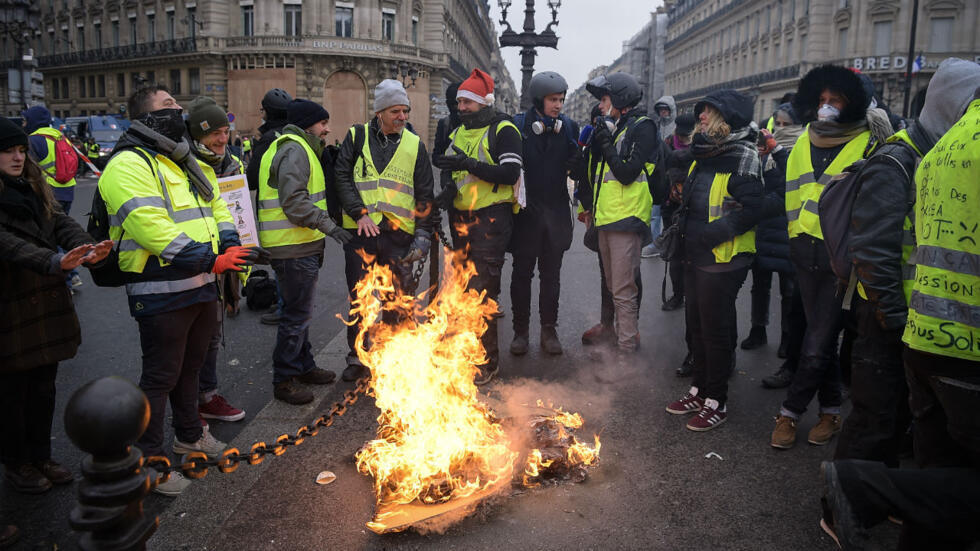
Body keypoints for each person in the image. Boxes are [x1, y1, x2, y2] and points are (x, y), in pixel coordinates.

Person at [100, 85, 253, 496]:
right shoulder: (127, 163)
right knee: (161, 376)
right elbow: (150, 226)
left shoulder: (180, 158)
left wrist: (229, 243)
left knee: (191, 368)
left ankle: (190, 436)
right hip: (161, 288)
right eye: (168, 105)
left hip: (201, 283)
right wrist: (210, 258)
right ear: (145, 118)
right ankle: (149, 462)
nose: (178, 109)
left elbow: (216, 204)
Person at [836, 59, 980, 469]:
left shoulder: (941, 153)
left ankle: (886, 495)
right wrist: (895, 319)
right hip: (884, 314)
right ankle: (845, 502)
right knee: (875, 415)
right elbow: (873, 249)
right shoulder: (898, 157)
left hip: (915, 315)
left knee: (900, 416)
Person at [771, 65, 893, 449]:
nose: (825, 108)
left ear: (850, 103)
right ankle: (830, 412)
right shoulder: (806, 137)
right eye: (821, 101)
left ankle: (789, 414)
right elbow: (792, 191)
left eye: (834, 101)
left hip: (840, 260)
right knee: (817, 336)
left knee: (818, 340)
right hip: (802, 252)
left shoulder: (871, 143)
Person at [0, 118, 111, 498]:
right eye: (7, 151)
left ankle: (41, 455)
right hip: (11, 304)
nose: (16, 158)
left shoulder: (32, 185)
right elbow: (8, 245)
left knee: (44, 388)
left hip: (44, 302)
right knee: (13, 393)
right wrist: (53, 262)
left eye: (19, 151)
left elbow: (60, 221)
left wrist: (87, 247)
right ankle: (16, 463)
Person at [664, 90, 763, 431]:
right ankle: (699, 389)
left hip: (724, 258)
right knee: (696, 327)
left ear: (727, 118)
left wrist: (710, 235)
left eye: (708, 112)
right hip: (695, 255)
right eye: (701, 111)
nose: (700, 117)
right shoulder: (702, 153)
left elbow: (753, 210)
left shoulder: (743, 155)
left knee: (716, 331)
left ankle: (716, 401)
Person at [334, 79, 436, 382]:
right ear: (379, 112)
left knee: (398, 300)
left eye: (405, 110)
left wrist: (423, 235)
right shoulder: (356, 136)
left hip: (398, 234)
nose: (402, 117)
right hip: (361, 233)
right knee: (359, 300)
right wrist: (358, 212)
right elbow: (342, 176)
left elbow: (425, 193)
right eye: (395, 111)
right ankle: (358, 357)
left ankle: (395, 355)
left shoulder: (414, 144)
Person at [433, 68, 523, 384]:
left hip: (490, 221)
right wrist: (446, 189)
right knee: (461, 291)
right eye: (459, 102)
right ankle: (467, 353)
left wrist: (467, 164)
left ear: (482, 102)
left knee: (482, 293)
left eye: (467, 102)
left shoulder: (504, 129)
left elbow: (509, 174)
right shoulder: (457, 131)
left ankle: (488, 361)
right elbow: (448, 168)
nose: (461, 107)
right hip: (460, 220)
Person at [257, 99, 348, 404]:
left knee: (301, 313)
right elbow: (294, 202)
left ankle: (304, 365)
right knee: (295, 316)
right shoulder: (295, 149)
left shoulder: (299, 147)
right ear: (309, 124)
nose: (327, 129)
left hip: (298, 244)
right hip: (291, 247)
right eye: (323, 123)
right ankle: (284, 380)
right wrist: (331, 227)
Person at [580, 71, 660, 357]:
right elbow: (594, 173)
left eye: (604, 99)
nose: (600, 105)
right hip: (607, 219)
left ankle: (625, 353)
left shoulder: (643, 126)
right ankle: (615, 339)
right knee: (614, 287)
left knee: (624, 290)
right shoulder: (618, 126)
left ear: (620, 99)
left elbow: (626, 173)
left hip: (626, 220)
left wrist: (606, 144)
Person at [186, 96, 249, 423]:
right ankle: (188, 407)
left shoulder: (231, 163)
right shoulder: (183, 164)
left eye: (226, 132)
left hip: (224, 261)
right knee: (188, 344)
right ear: (197, 135)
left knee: (212, 335)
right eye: (215, 134)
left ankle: (206, 396)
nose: (223, 139)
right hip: (193, 262)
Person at [507, 71, 579, 357]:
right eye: (553, 99)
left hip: (557, 213)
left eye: (561, 99)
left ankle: (549, 330)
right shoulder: (519, 125)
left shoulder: (569, 127)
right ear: (539, 100)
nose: (558, 105)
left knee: (552, 276)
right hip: (526, 213)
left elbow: (576, 168)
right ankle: (520, 332)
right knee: (521, 275)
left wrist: (578, 161)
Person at [741, 105, 798, 355]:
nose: (781, 130)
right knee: (760, 285)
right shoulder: (763, 152)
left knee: (788, 290)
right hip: (763, 229)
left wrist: (777, 149)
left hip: (787, 231)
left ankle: (788, 336)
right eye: (778, 125)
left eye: (786, 125)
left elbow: (792, 181)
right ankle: (758, 329)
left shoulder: (798, 149)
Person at [23, 105, 83, 290]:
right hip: (67, 190)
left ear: (33, 121)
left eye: (25, 120)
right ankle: (73, 276)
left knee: (49, 235)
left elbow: (28, 169)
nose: (23, 123)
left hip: (48, 191)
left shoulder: (34, 140)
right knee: (61, 232)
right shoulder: (59, 136)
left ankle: (66, 277)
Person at [248, 89, 292, 327]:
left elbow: (253, 178)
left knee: (279, 259)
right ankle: (282, 300)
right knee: (288, 261)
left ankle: (283, 305)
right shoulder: (294, 135)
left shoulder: (269, 139)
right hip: (293, 209)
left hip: (273, 211)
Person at [661, 112, 695, 315]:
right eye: (680, 134)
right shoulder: (668, 143)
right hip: (671, 206)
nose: (682, 139)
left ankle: (691, 296)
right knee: (674, 254)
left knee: (691, 256)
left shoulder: (702, 148)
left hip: (692, 207)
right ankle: (677, 295)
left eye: (686, 135)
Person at [640, 95, 677, 259]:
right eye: (660, 110)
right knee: (655, 211)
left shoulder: (676, 128)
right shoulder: (655, 126)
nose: (663, 113)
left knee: (669, 212)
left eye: (666, 110)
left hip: (673, 171)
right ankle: (654, 242)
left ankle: (668, 242)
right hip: (659, 171)